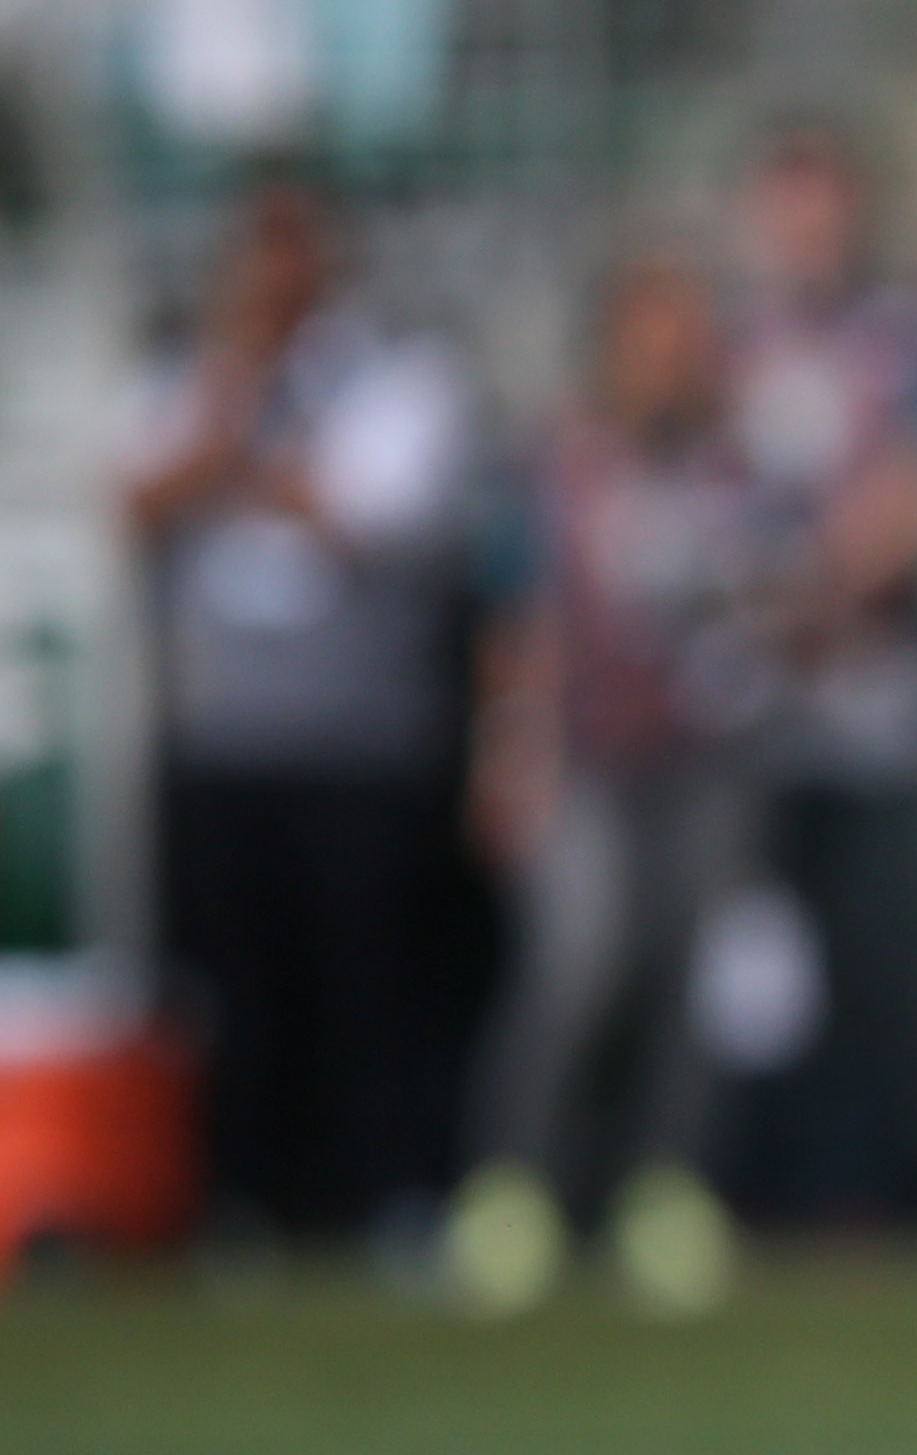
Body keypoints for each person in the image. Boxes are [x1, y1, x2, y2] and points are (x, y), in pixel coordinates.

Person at [124, 172, 478, 1244]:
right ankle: (247, 1200)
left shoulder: (393, 378)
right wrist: (233, 401)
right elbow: (137, 495)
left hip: (358, 742)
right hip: (228, 738)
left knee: (368, 985)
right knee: (237, 991)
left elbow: (372, 515)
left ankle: (389, 1196)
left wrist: (250, 456)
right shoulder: (188, 377)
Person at [449, 255, 780, 1318]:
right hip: (585, 749)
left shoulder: (737, 467)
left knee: (687, 978)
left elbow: (784, 599)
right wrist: (510, 744)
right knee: (580, 960)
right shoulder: (559, 464)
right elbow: (517, 613)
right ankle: (518, 1185)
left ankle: (663, 1189)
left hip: (707, 752)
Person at [725, 122, 917, 1219]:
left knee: (873, 963)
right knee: (753, 966)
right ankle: (750, 1185)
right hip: (745, 708)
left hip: (873, 704)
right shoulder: (734, 344)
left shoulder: (905, 341)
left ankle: (860, 1194)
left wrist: (820, 586)